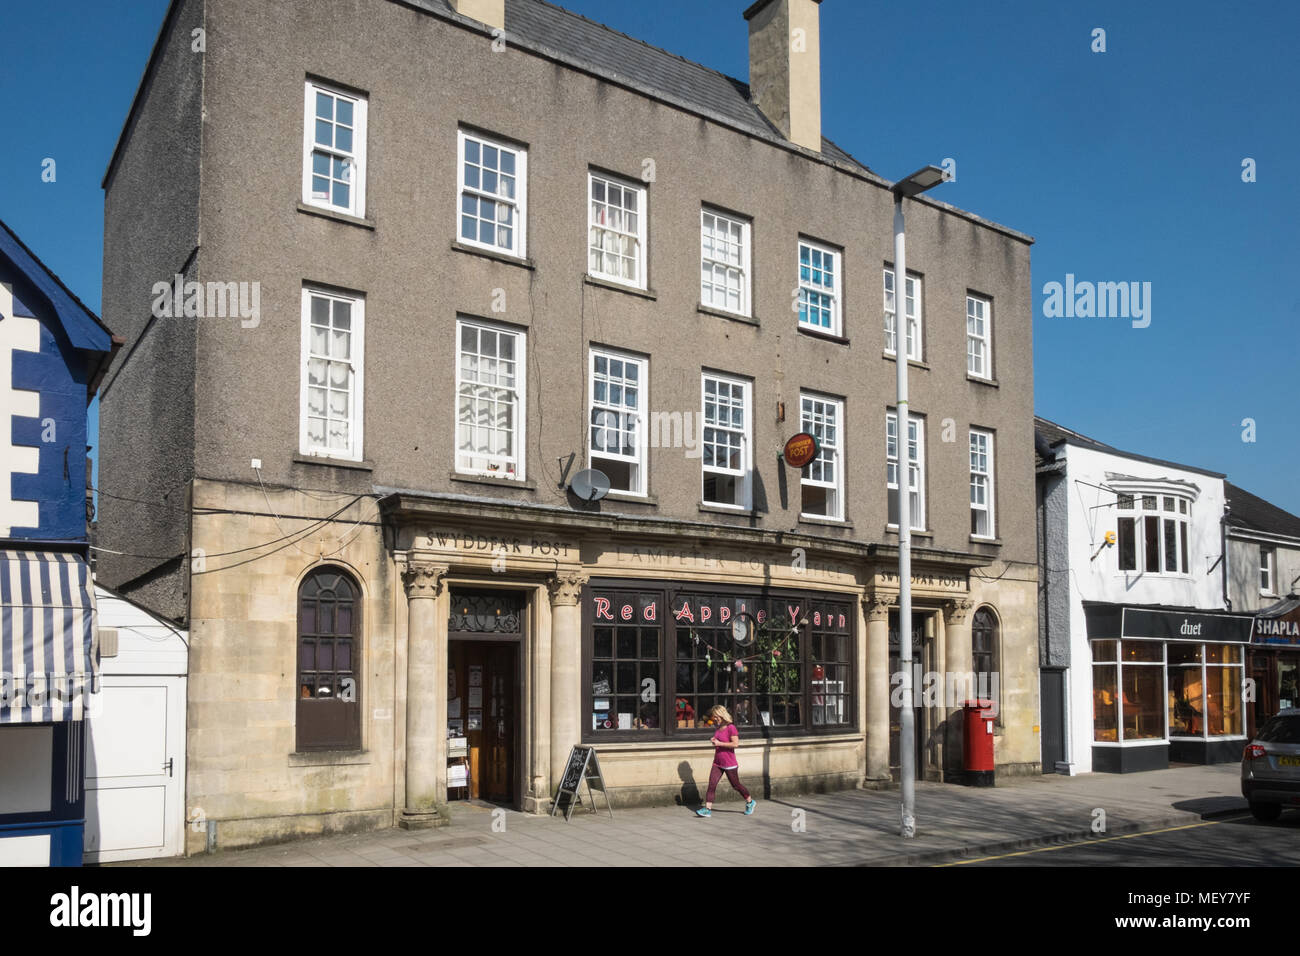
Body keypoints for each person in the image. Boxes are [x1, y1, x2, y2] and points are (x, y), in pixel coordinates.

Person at [695, 705, 757, 817]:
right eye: (713, 717)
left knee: (736, 785)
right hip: (717, 762)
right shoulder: (718, 728)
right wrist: (714, 740)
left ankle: (750, 801)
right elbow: (720, 741)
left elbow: (735, 744)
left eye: (715, 717)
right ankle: (707, 809)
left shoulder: (731, 727)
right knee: (712, 785)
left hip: (729, 763)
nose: (714, 719)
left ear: (721, 715)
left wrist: (719, 743)